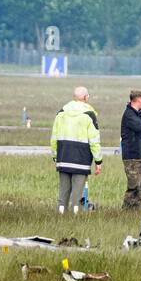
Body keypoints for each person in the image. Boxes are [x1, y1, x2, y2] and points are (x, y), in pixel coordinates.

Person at [50, 86, 103, 214]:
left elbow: (54, 137)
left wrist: (55, 156)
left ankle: (60, 215)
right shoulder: (89, 114)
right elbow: (94, 141)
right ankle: (76, 216)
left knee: (63, 192)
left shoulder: (61, 113)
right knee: (77, 193)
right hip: (81, 159)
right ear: (86, 98)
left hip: (63, 157)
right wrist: (98, 161)